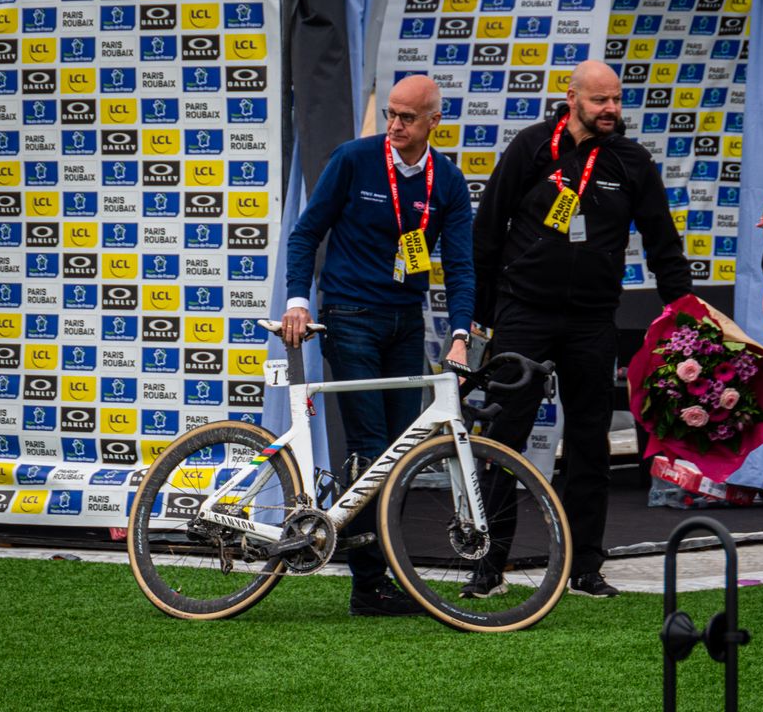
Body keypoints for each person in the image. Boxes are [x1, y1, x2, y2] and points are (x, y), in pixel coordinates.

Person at [468, 60, 692, 598]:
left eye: (615, 99)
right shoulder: (530, 148)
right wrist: (484, 315)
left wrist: (687, 314)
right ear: (572, 100)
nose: (611, 109)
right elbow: (487, 229)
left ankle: (584, 566)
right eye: (599, 101)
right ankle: (489, 564)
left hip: (593, 320)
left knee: (590, 442)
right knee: (505, 436)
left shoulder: (633, 161)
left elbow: (664, 243)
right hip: (523, 314)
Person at [281, 75, 475, 616]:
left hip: (405, 324)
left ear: (433, 121)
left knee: (400, 451)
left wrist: (459, 335)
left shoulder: (449, 183)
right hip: (349, 317)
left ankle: (380, 573)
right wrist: (298, 300)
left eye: (407, 117)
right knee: (372, 447)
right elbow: (305, 233)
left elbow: (461, 267)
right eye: (390, 113)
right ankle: (368, 584)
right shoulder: (354, 158)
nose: (393, 125)